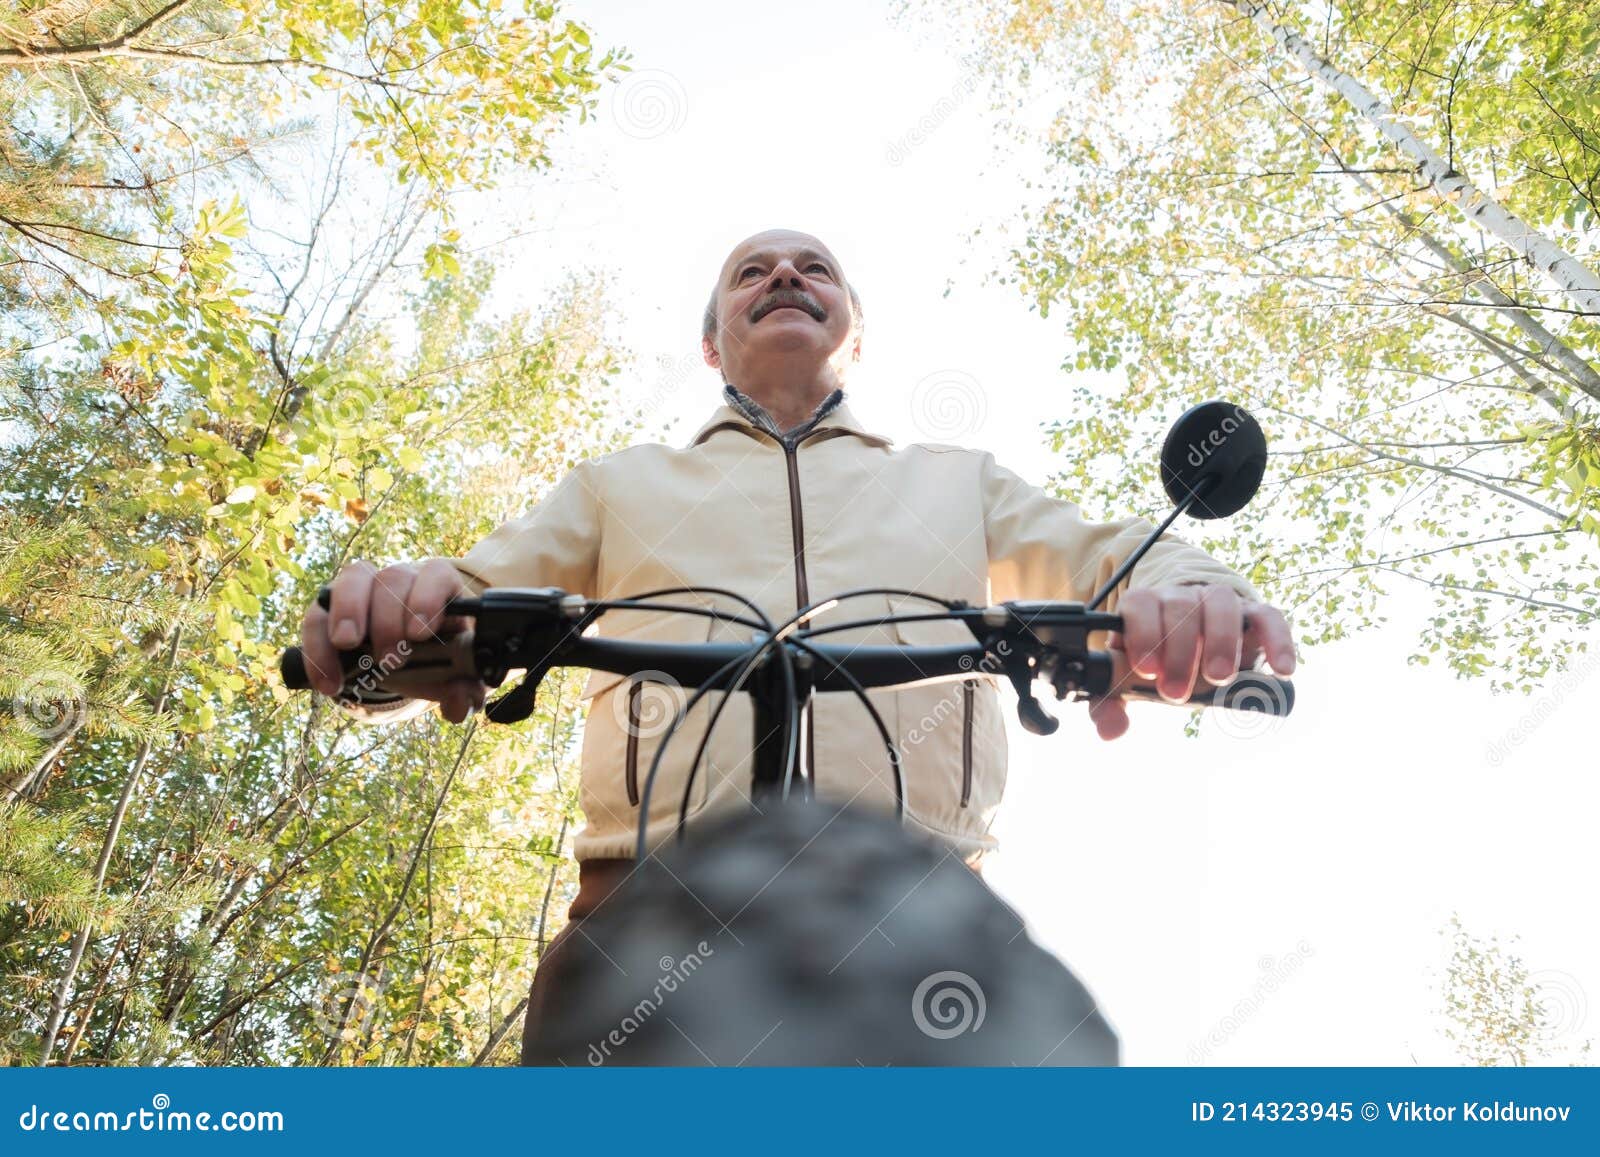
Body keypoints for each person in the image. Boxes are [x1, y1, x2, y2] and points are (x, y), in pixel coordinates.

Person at [296, 228, 1296, 1062]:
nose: (783, 274)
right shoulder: (617, 484)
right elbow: (464, 599)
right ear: (711, 345)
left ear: (855, 336)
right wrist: (394, 611)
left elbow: (1110, 560)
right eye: (751, 270)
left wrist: (1192, 590)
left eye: (813, 266)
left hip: (927, 910)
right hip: (649, 906)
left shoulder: (959, 480)